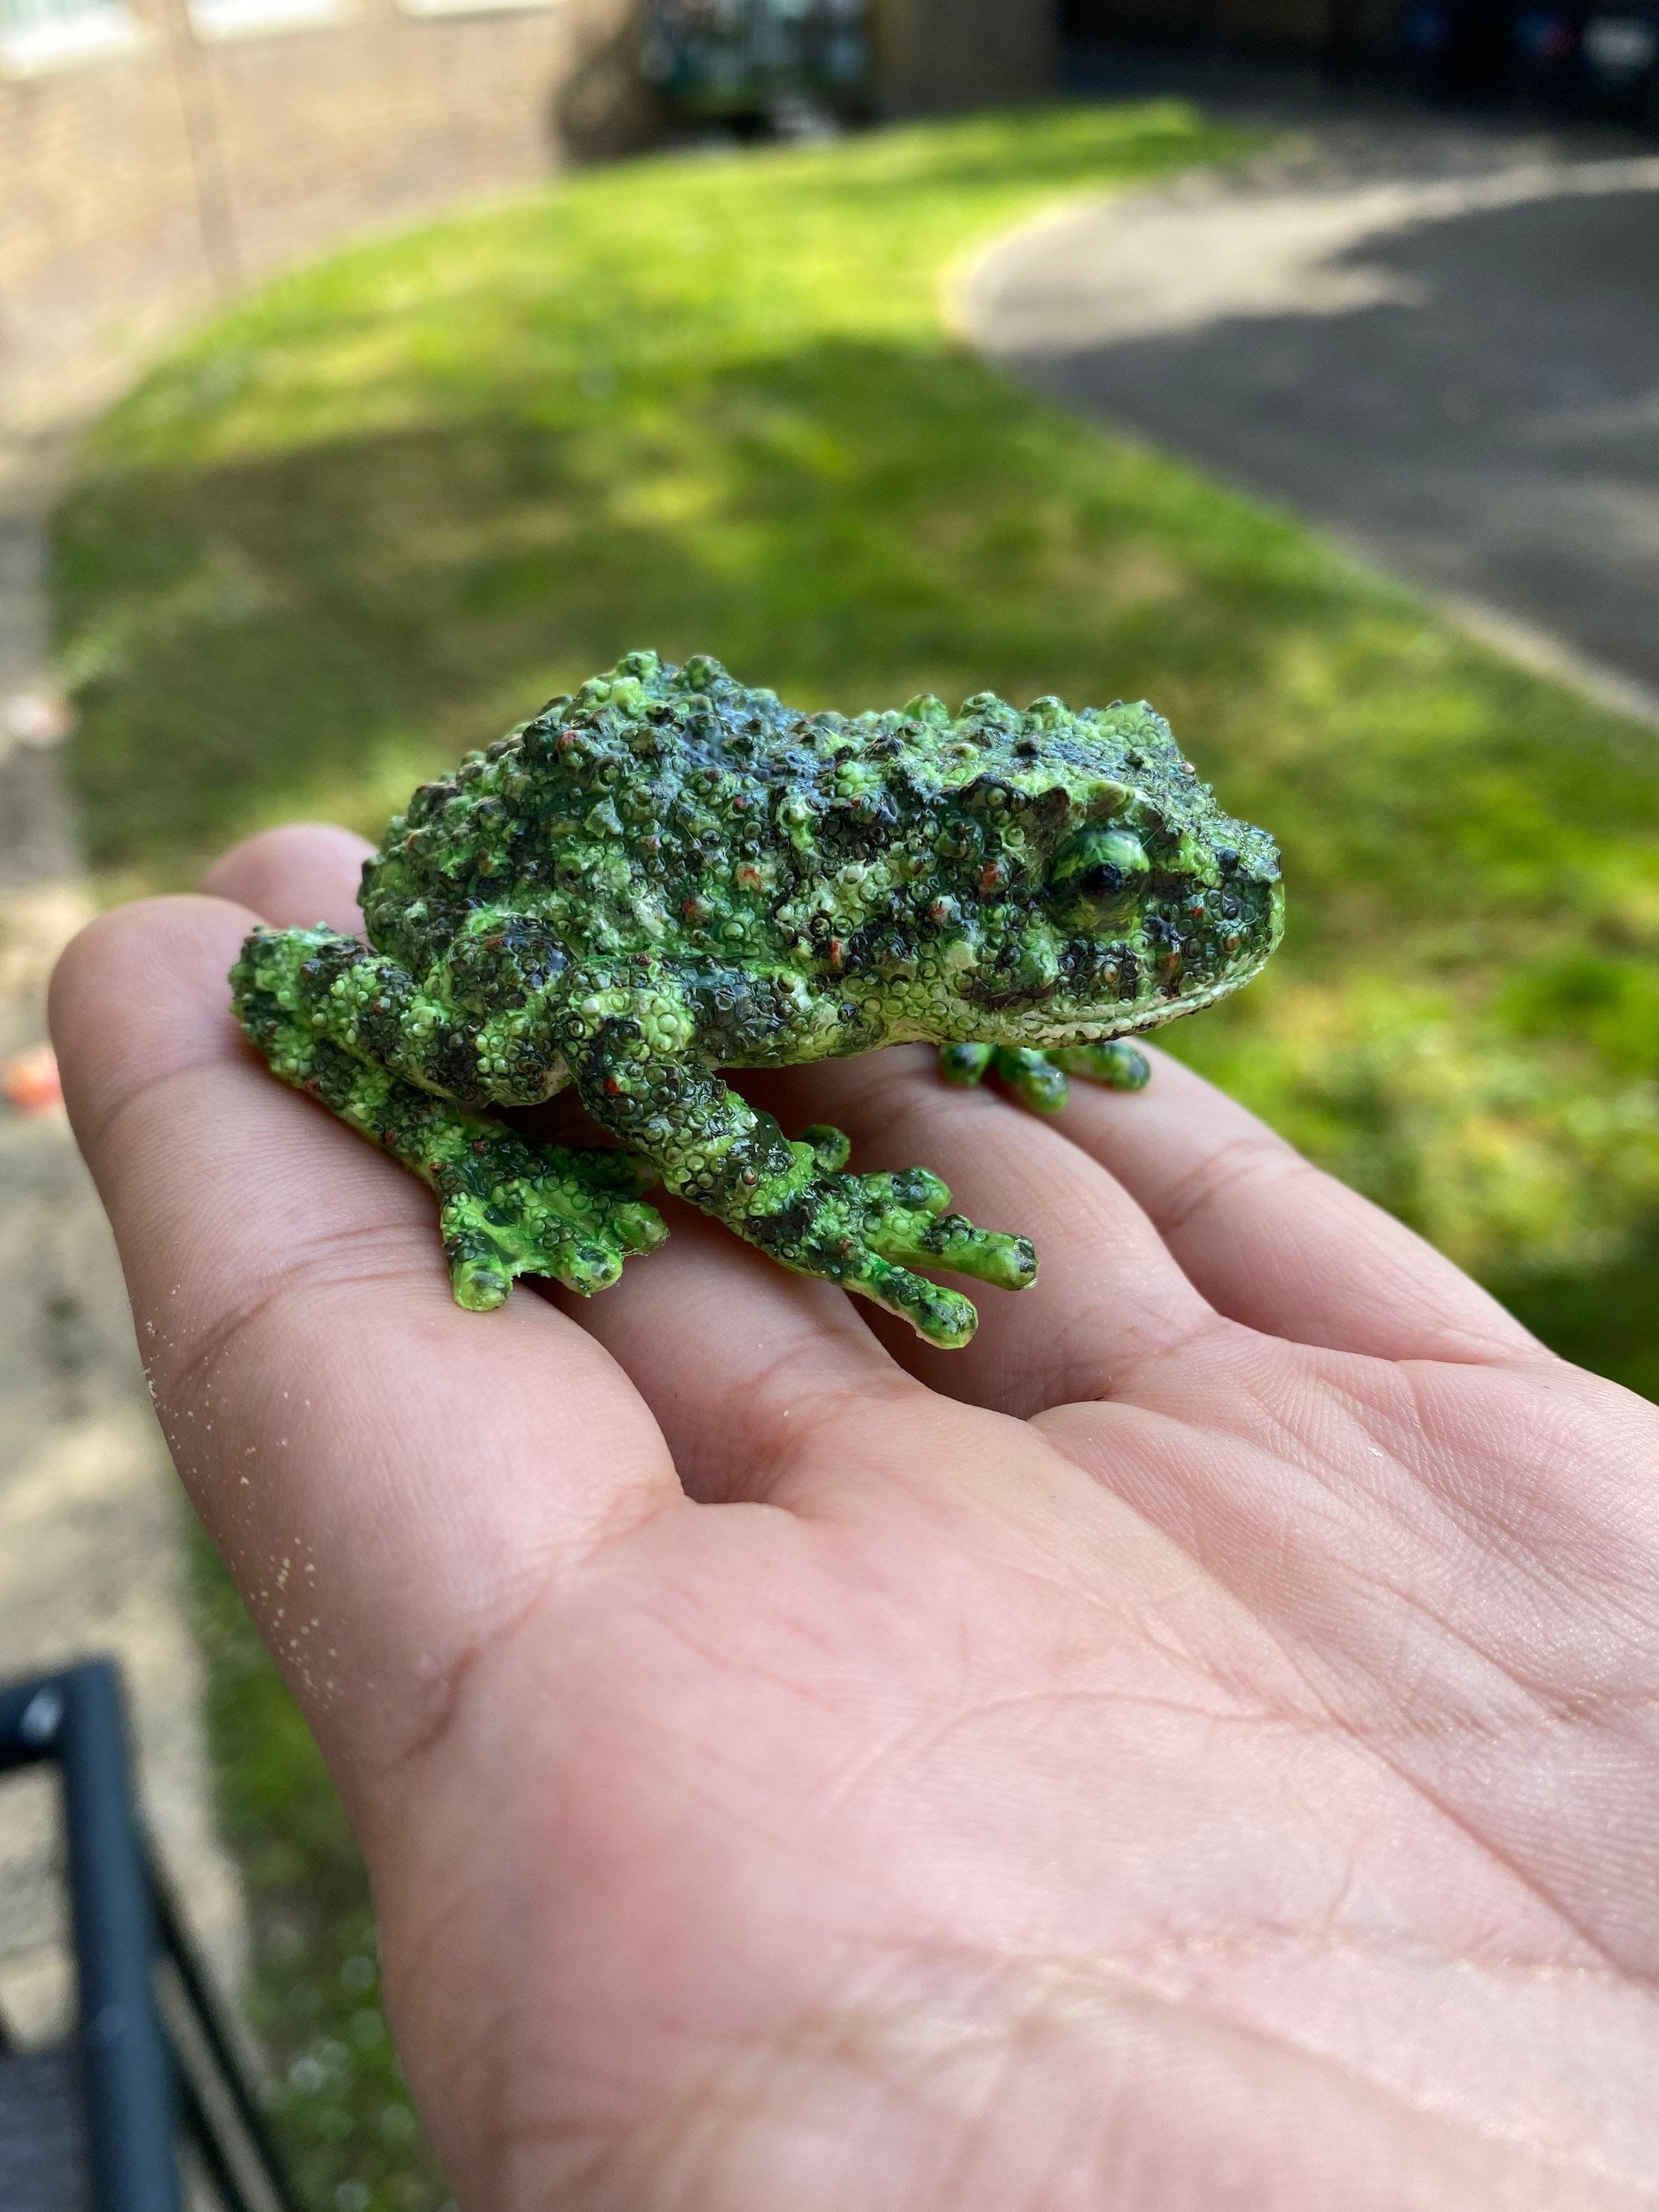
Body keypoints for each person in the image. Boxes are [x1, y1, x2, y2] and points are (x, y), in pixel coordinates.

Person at [51, 822, 1659, 2210]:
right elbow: (629, 1040)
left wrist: (993, 1006)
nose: (1203, 909)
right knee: (538, 1030)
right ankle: (463, 1138)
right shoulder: (803, 947)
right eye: (1095, 894)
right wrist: (813, 1212)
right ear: (935, 897)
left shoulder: (879, 926)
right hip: (531, 909)